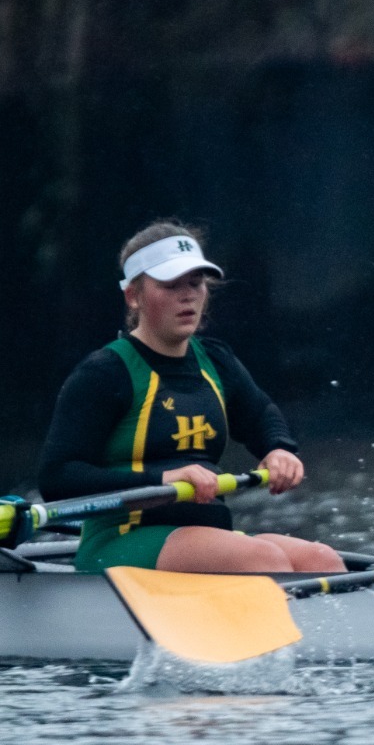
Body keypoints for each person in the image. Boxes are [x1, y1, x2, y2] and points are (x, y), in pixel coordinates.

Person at [38, 221, 342, 575]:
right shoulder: (105, 373)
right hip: (121, 541)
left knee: (322, 560)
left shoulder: (216, 361)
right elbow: (58, 478)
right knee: (263, 559)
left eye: (196, 283)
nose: (188, 296)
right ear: (133, 296)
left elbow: (260, 413)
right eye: (170, 285)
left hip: (205, 537)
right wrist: (162, 479)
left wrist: (278, 449)